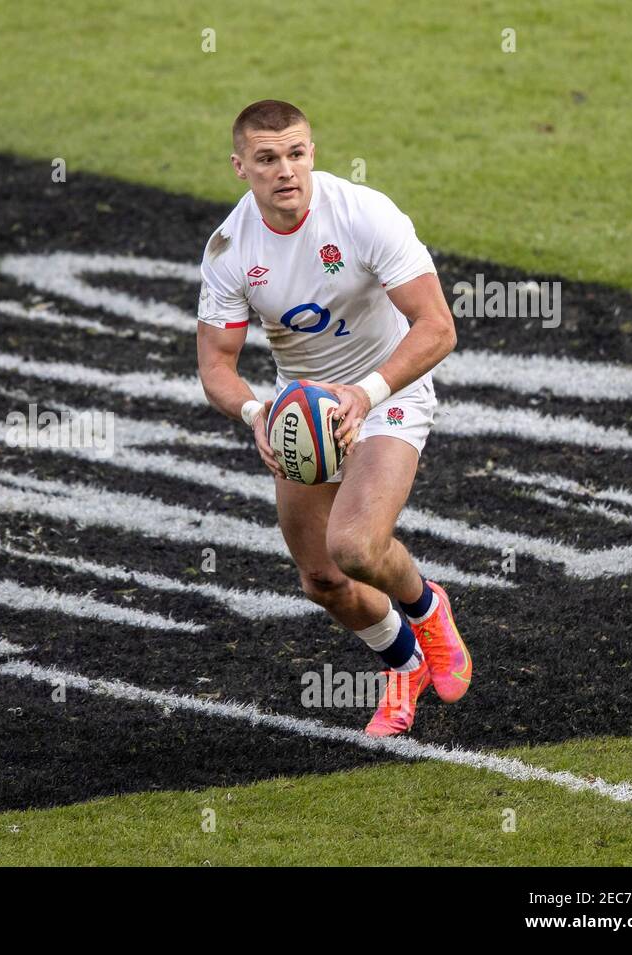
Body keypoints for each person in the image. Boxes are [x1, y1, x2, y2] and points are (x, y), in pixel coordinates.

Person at [195, 99, 471, 736]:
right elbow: (216, 364)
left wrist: (366, 394)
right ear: (241, 167)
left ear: (312, 152)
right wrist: (256, 412)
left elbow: (437, 327)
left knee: (356, 547)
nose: (285, 170)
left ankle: (428, 611)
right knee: (321, 576)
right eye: (267, 159)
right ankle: (404, 665)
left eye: (296, 153)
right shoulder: (231, 249)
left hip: (388, 388)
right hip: (303, 408)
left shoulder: (363, 213)